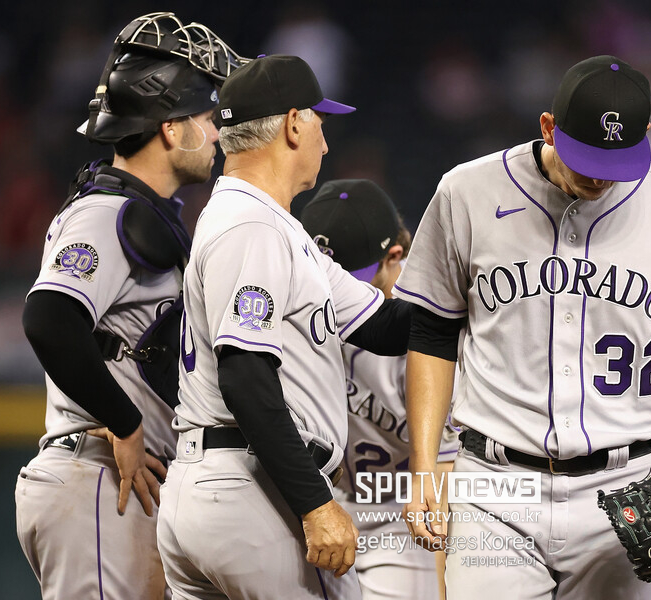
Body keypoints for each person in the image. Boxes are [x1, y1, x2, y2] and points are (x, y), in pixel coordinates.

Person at [393, 54, 651, 599]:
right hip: (496, 486)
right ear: (547, 127)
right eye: (585, 156)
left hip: (631, 486)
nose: (600, 174)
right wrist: (424, 465)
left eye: (617, 159)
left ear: (646, 136)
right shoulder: (467, 192)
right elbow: (432, 332)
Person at [156, 56, 412, 600]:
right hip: (250, 489)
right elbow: (245, 375)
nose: (325, 138)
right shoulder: (250, 225)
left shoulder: (272, 225)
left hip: (216, 483)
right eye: (320, 120)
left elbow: (388, 327)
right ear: (294, 124)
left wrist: (473, 286)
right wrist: (315, 504)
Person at [14, 12, 244, 599]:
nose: (216, 134)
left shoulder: (146, 217)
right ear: (170, 128)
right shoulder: (103, 214)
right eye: (207, 118)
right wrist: (126, 420)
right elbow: (48, 318)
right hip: (98, 471)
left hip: (125, 481)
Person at [301, 178, 460, 600]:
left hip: (403, 521)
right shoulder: (301, 302)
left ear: (395, 257)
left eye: (351, 278)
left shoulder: (432, 326)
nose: (335, 295)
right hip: (325, 507)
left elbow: (445, 478)